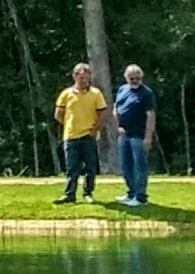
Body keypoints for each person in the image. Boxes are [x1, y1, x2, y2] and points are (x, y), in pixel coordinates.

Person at [53, 62, 107, 203]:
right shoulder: (66, 94)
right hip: (70, 136)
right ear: (74, 77)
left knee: (90, 167)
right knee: (72, 168)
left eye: (86, 77)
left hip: (88, 135)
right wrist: (69, 125)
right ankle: (69, 194)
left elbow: (102, 113)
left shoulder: (96, 93)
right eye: (81, 77)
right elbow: (58, 114)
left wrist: (94, 130)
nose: (83, 80)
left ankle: (87, 193)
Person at [110, 63, 156, 207]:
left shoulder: (146, 93)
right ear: (126, 78)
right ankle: (131, 193)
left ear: (141, 78)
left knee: (139, 166)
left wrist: (148, 137)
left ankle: (140, 197)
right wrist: (117, 127)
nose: (134, 80)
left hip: (139, 135)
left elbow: (151, 115)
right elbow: (115, 109)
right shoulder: (122, 90)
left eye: (137, 78)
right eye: (131, 78)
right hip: (124, 134)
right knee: (126, 165)